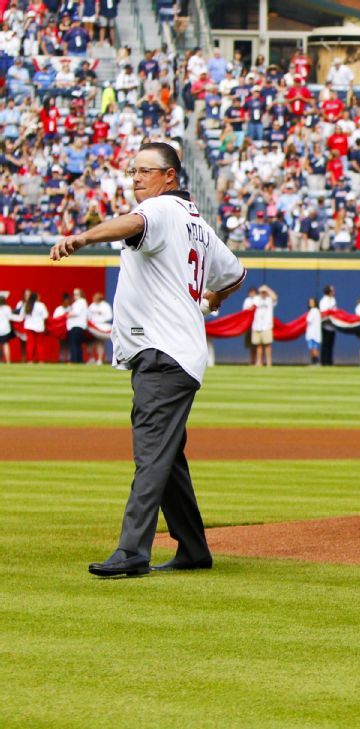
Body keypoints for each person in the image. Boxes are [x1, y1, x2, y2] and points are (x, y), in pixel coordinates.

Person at [50, 141, 245, 577]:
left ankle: (132, 551)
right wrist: (210, 300)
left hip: (162, 352)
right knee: (167, 454)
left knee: (151, 455)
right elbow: (234, 273)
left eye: (146, 171)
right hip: (178, 350)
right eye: (133, 171)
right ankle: (193, 549)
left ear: (170, 176)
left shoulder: (162, 211)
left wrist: (82, 236)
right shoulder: (199, 223)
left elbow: (133, 222)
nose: (136, 178)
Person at [250, 284, 276, 367]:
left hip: (266, 326)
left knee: (267, 345)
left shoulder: (269, 300)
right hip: (257, 325)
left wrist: (267, 289)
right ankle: (259, 362)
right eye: (262, 292)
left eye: (264, 292)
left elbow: (274, 297)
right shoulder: (256, 299)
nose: (263, 293)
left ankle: (269, 363)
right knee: (258, 345)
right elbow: (250, 308)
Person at [22, 292, 48, 363]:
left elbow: (22, 316)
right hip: (39, 327)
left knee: (30, 344)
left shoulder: (26, 304)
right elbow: (45, 316)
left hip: (29, 326)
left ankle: (30, 360)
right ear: (37, 298)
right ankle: (41, 360)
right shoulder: (41, 305)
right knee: (39, 344)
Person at [88, 292, 113, 364]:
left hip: (104, 327)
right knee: (90, 343)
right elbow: (88, 316)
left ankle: (100, 359)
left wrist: (99, 320)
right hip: (93, 328)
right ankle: (92, 358)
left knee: (100, 342)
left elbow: (109, 317)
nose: (94, 299)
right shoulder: (92, 306)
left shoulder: (105, 306)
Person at [67, 289, 89, 363]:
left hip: (77, 325)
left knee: (74, 343)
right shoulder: (80, 302)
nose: (75, 296)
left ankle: (74, 360)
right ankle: (79, 360)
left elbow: (76, 312)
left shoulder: (81, 301)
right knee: (77, 344)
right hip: (78, 325)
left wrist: (67, 315)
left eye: (77, 294)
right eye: (74, 294)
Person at [319, 285, 337, 366]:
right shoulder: (323, 301)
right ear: (329, 291)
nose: (334, 292)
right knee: (325, 344)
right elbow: (324, 312)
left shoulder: (333, 300)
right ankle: (324, 362)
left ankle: (329, 362)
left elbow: (335, 311)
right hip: (325, 325)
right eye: (332, 290)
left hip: (333, 326)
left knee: (330, 344)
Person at [305, 297, 322, 366]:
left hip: (314, 333)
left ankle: (316, 362)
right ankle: (313, 362)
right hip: (311, 333)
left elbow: (309, 320)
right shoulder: (312, 311)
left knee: (314, 348)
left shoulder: (315, 311)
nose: (310, 304)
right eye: (310, 302)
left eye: (312, 302)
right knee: (311, 348)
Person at [0, 292, 12, 364]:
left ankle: (1, 360)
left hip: (3, 329)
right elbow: (10, 317)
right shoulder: (7, 308)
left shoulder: (7, 308)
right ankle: (8, 361)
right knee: (5, 344)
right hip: (5, 329)